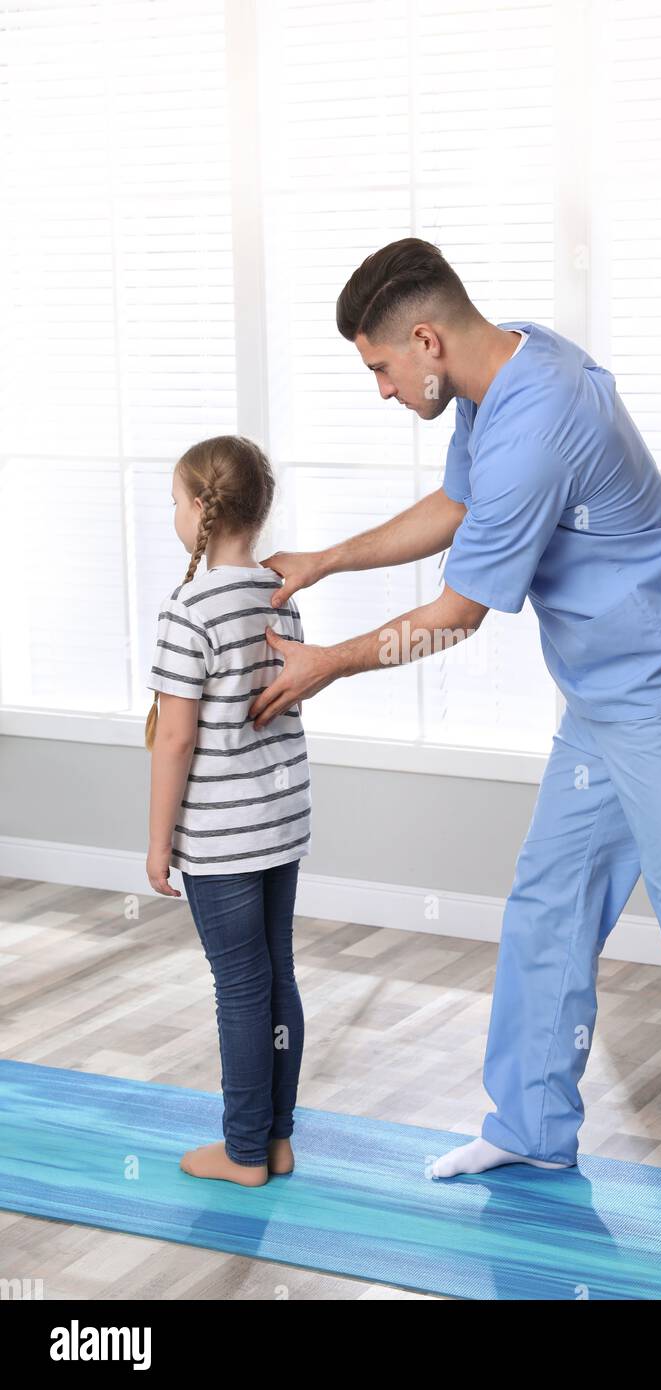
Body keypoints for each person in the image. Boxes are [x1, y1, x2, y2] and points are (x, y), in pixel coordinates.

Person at [248, 238, 661, 1253]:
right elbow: (458, 505)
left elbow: (455, 616)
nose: (385, 392)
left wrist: (322, 667)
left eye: (382, 370)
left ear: (425, 341)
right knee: (546, 904)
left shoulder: (539, 419)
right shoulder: (498, 370)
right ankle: (528, 1129)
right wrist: (326, 559)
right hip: (604, 697)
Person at [145, 435, 311, 1187]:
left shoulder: (188, 609)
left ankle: (243, 1152)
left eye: (176, 501)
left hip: (220, 835)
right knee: (277, 978)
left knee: (241, 985)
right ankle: (276, 1140)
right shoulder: (282, 597)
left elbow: (175, 738)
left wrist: (158, 843)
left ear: (200, 512)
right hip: (280, 823)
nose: (173, 514)